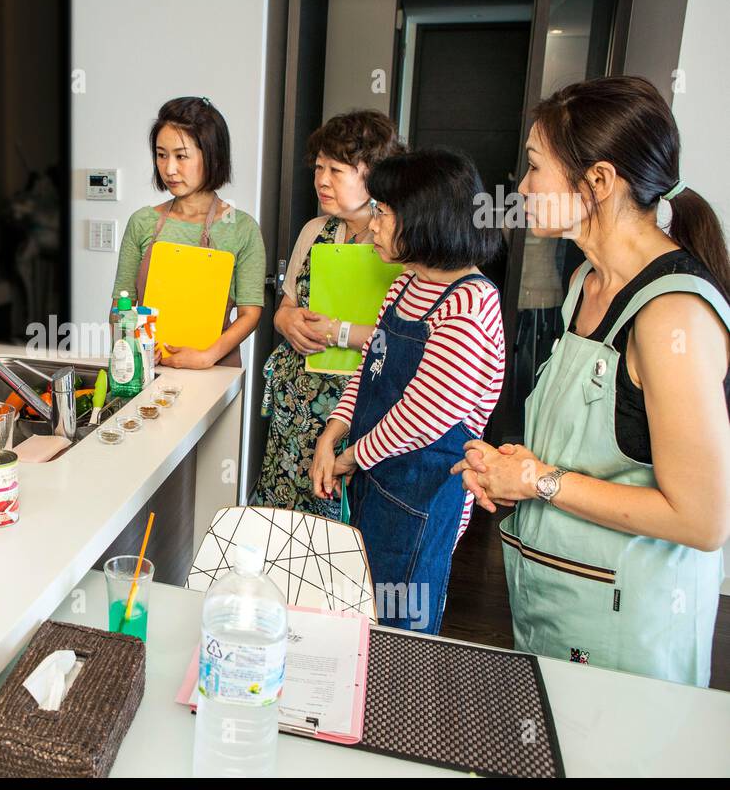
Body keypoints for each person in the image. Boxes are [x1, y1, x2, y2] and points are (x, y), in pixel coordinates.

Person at [454, 76, 730, 686]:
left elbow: (702, 519)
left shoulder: (671, 316)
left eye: (532, 169)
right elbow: (596, 451)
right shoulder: (585, 284)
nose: (520, 189)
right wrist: (517, 468)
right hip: (557, 606)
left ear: (598, 182)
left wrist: (541, 480)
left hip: (628, 632)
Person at [312, 148, 505, 633]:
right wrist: (331, 433)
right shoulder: (406, 283)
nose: (373, 223)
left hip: (421, 499)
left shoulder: (470, 303)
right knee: (363, 612)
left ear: (425, 219)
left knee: (402, 632)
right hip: (376, 482)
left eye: (384, 211)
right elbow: (369, 367)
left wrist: (351, 457)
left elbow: (424, 416)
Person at [252, 110, 403, 513]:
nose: (321, 180)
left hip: (357, 407)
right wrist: (285, 321)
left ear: (373, 174)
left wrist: (337, 331)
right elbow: (286, 305)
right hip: (296, 405)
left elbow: (405, 340)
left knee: (338, 527)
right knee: (282, 520)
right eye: (319, 167)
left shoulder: (399, 242)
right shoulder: (315, 231)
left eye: (336, 170)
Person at [109, 97, 264, 369]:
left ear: (212, 155)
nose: (169, 168)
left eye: (181, 156)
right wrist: (133, 351)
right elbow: (119, 307)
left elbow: (250, 314)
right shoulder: (143, 222)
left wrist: (207, 356)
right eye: (161, 154)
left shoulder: (242, 228)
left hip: (215, 371)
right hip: (148, 370)